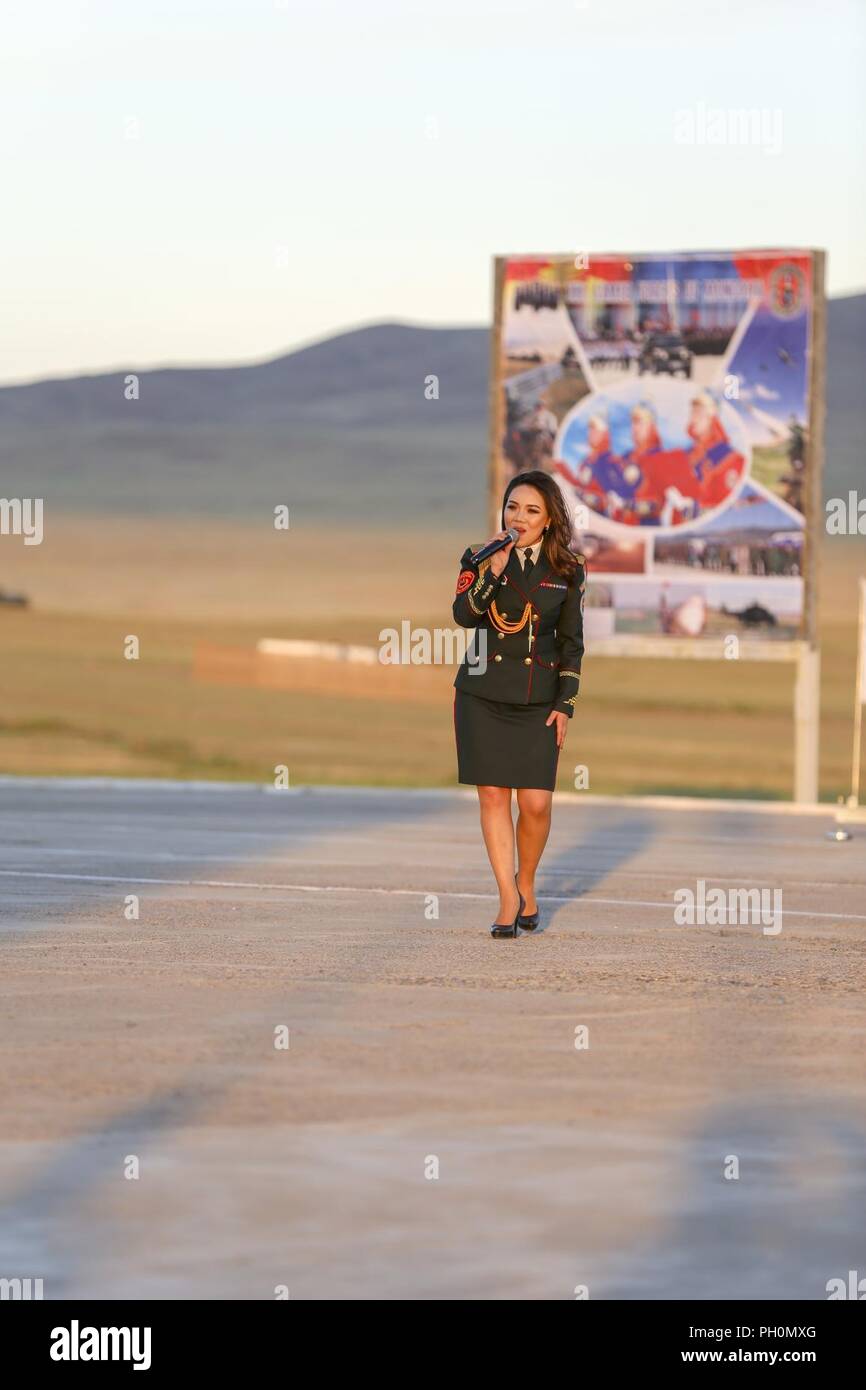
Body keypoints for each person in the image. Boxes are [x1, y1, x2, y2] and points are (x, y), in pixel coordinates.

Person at [452, 470, 586, 938]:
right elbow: (465, 615)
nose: (519, 517)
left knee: (535, 804)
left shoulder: (568, 568)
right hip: (482, 693)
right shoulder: (479, 556)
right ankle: (507, 897)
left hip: (538, 698)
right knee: (492, 796)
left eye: (531, 510)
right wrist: (494, 571)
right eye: (513, 507)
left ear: (548, 520)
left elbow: (571, 643)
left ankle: (526, 880)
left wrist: (565, 704)